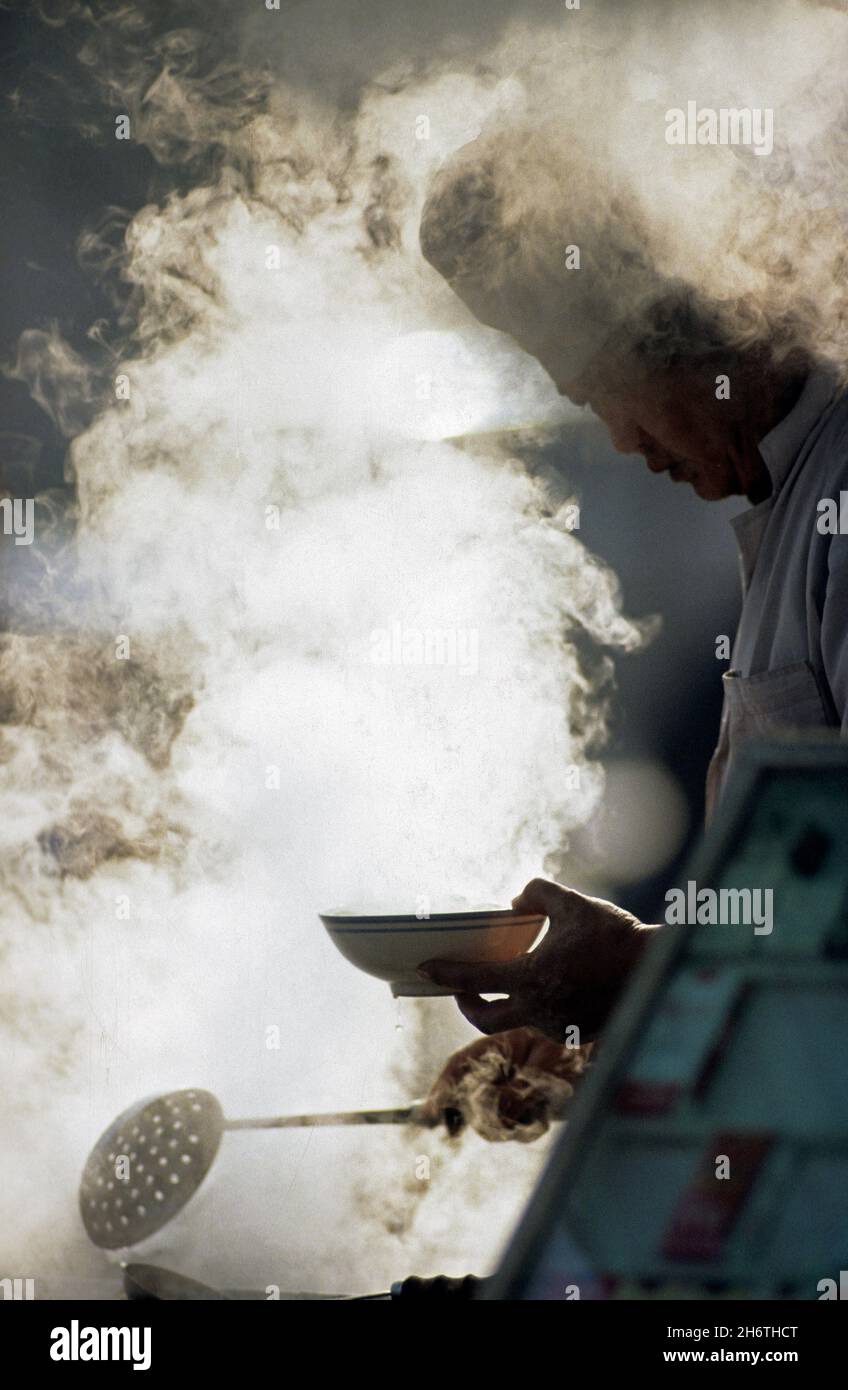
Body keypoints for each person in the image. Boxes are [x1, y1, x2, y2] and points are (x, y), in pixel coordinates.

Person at [415, 118, 848, 1139]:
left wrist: (643, 971)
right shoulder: (791, 500)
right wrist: (605, 1037)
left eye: (598, 387)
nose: (617, 440)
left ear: (696, 324)